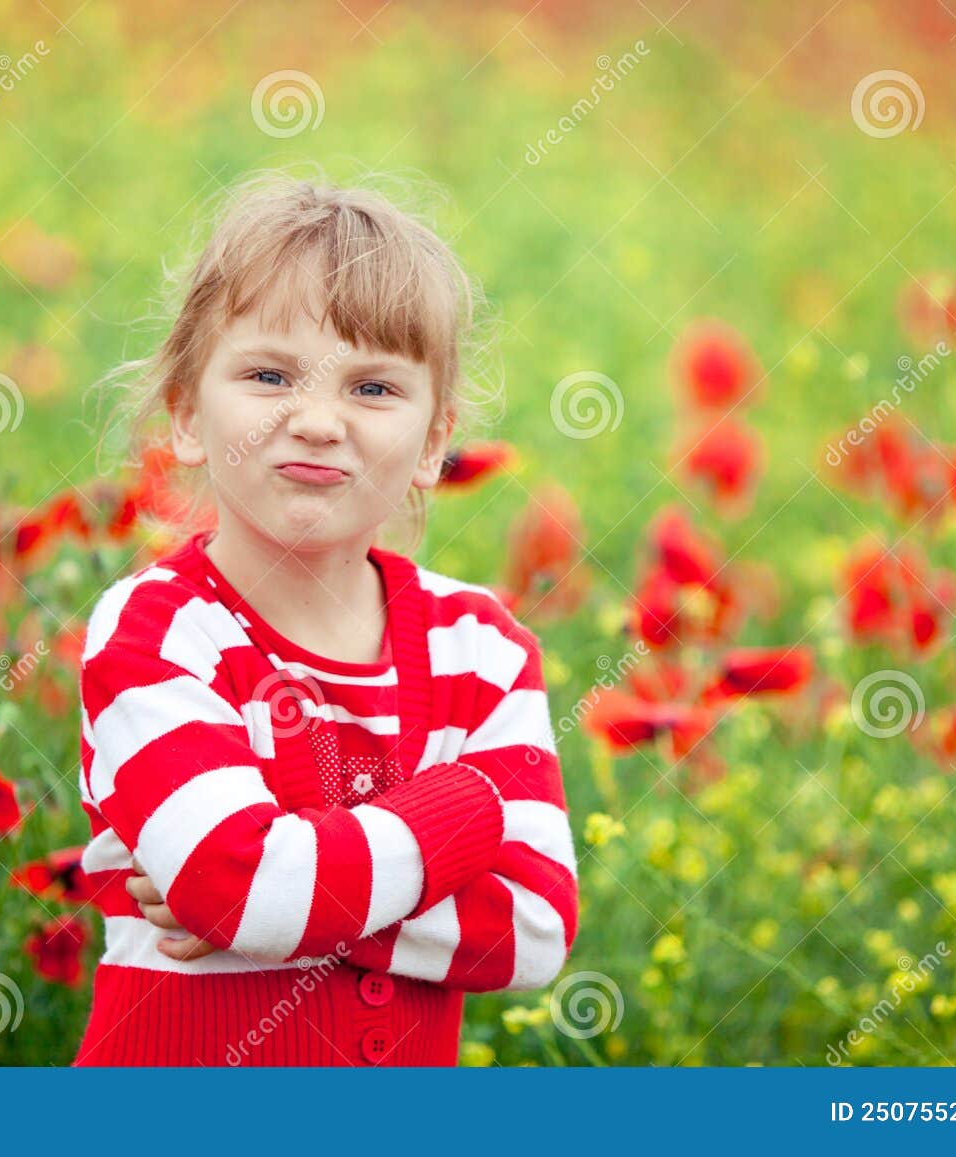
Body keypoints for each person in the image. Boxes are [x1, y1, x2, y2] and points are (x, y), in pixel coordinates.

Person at [71, 173, 578, 1066]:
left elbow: (532, 930)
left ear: (432, 444)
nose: (316, 421)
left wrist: (278, 890)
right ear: (187, 417)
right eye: (268, 375)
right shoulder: (157, 630)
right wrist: (461, 810)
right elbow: (244, 887)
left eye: (373, 388)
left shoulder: (484, 647)